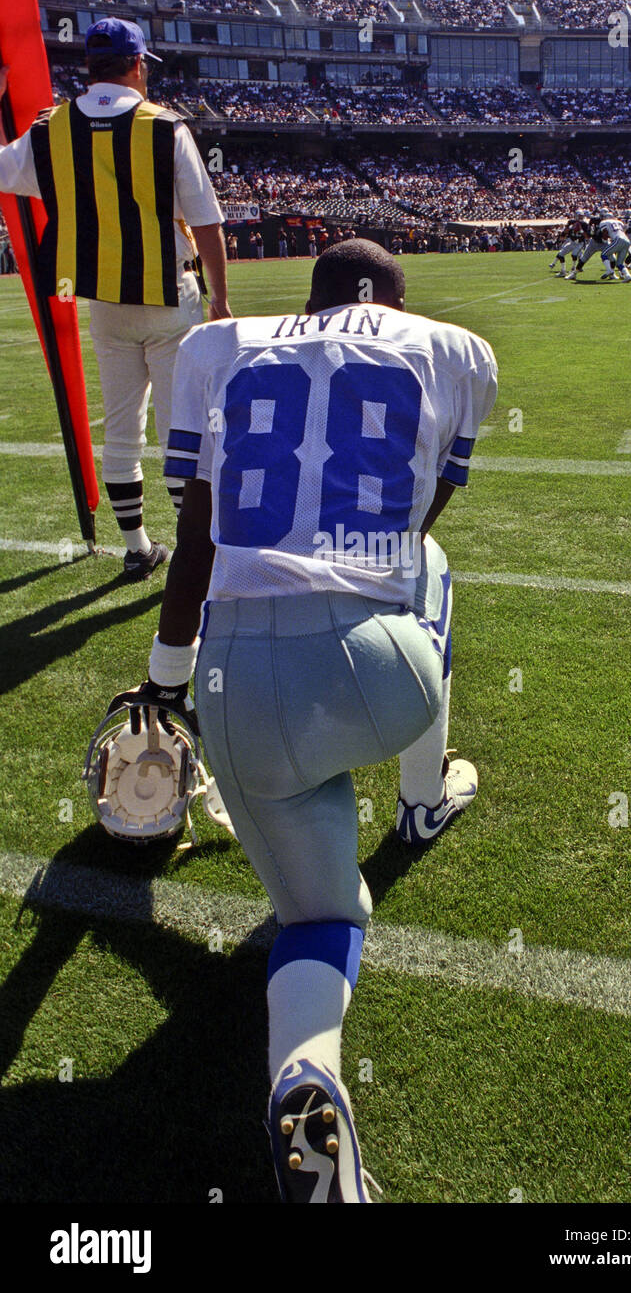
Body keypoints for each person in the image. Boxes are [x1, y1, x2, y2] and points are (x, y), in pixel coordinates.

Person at [110, 239, 498, 1203]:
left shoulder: (222, 346)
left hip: (242, 683)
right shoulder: (453, 348)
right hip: (383, 673)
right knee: (427, 573)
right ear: (393, 297)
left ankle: (305, 1069)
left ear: (312, 295)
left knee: (323, 917)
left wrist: (165, 678)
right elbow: (419, 516)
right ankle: (422, 798)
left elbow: (199, 531)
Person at [0, 18, 231, 580]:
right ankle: (191, 550)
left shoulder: (49, 129)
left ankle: (136, 545)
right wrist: (222, 302)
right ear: (136, 65)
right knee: (182, 429)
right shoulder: (165, 128)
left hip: (102, 298)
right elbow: (206, 224)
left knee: (122, 427)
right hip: (169, 295)